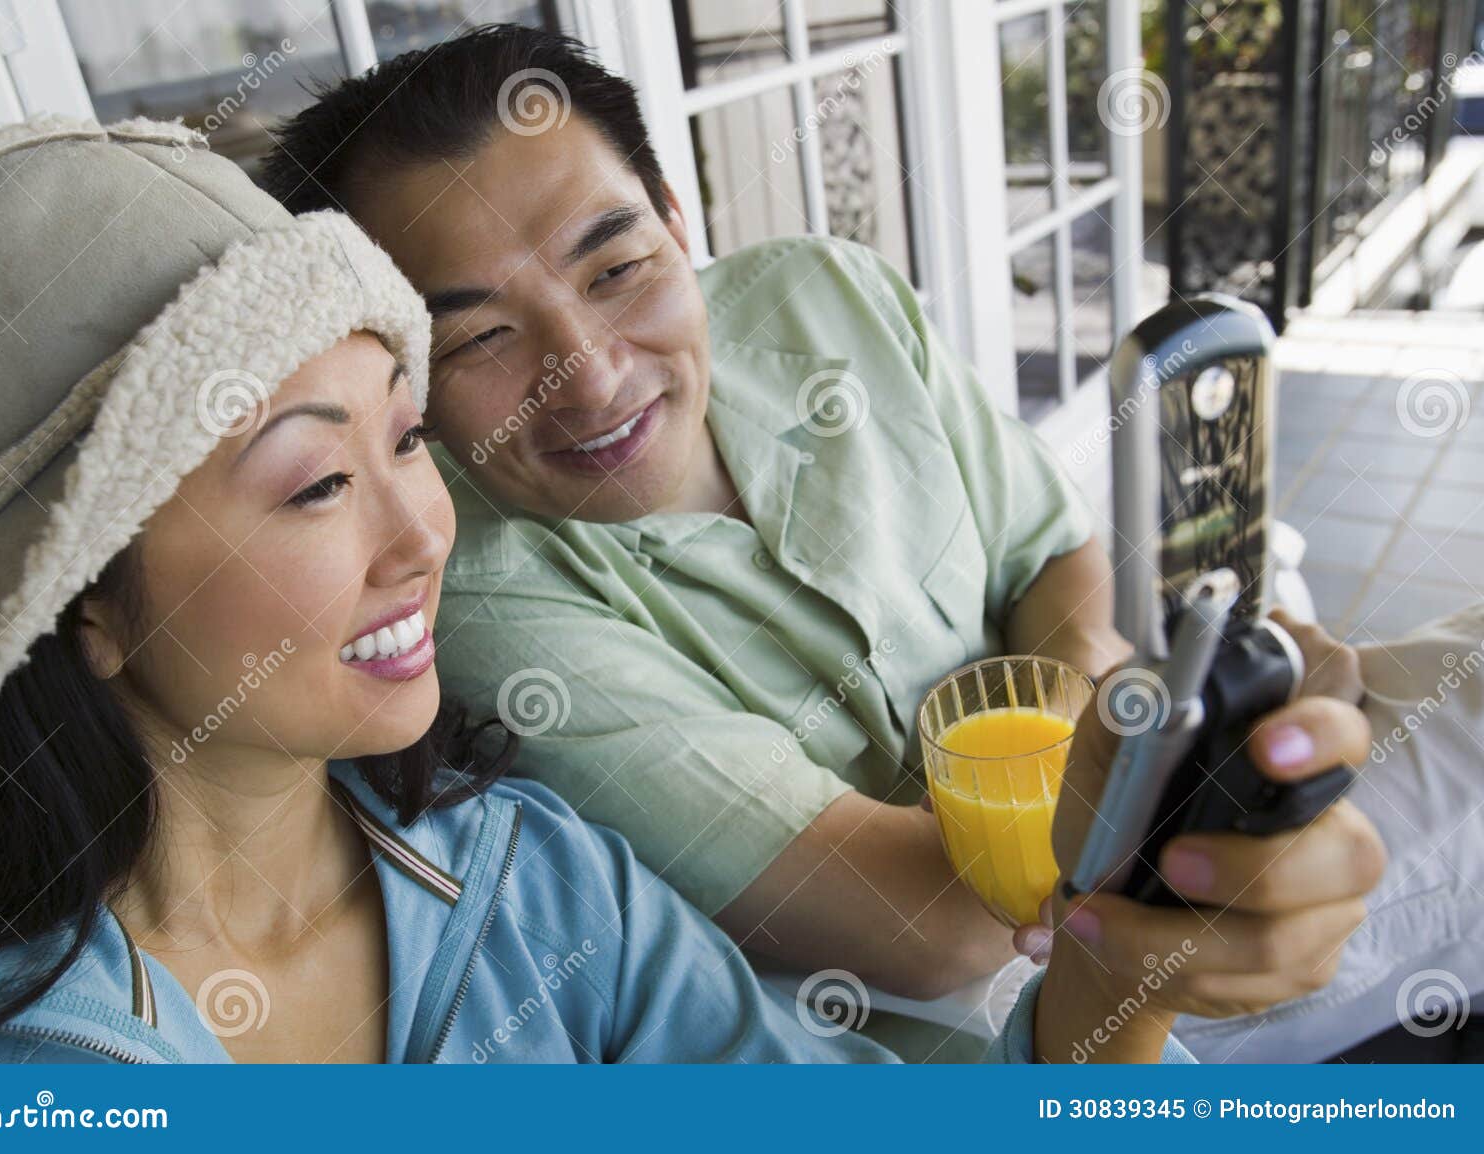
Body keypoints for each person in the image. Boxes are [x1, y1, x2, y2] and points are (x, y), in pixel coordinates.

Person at [0, 116, 1381, 1066]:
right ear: (74, 600)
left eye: (402, 442)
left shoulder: (539, 885)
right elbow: (929, 929)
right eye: (317, 483)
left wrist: (1118, 984)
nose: (424, 536)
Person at [261, 24, 1477, 1061]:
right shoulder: (477, 596)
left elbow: (1055, 554)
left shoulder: (821, 294)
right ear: (402, 386)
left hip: (1137, 803)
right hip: (1017, 1003)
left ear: (677, 222)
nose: (586, 373)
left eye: (618, 265)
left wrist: (1130, 722)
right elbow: (930, 926)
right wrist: (1133, 751)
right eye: (479, 340)